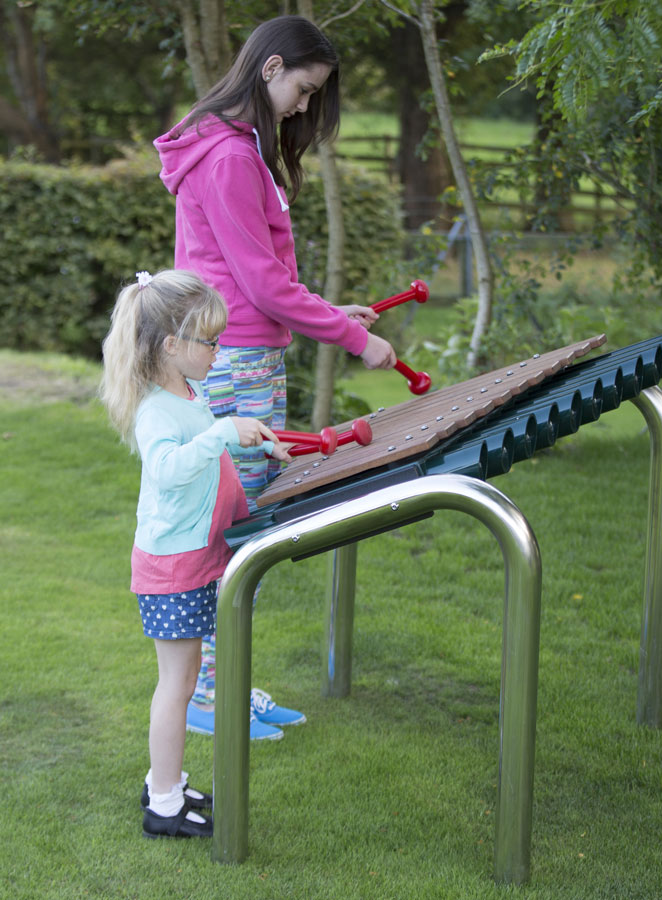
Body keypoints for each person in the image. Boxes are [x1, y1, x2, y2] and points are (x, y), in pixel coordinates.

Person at [154, 15, 397, 740]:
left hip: (242, 355)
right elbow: (258, 284)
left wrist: (327, 309)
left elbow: (253, 272)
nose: (302, 106)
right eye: (302, 89)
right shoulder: (229, 158)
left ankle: (219, 680)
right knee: (231, 527)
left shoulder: (236, 150)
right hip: (234, 363)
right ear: (270, 68)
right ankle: (205, 696)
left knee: (239, 522)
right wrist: (353, 338)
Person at [99, 270, 290, 838]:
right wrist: (222, 434)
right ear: (171, 346)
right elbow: (167, 470)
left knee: (181, 683)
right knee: (177, 686)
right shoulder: (158, 409)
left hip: (195, 556)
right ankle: (163, 804)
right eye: (210, 341)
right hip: (173, 567)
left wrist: (250, 437)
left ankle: (169, 782)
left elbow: (208, 456)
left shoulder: (188, 394)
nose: (218, 350)